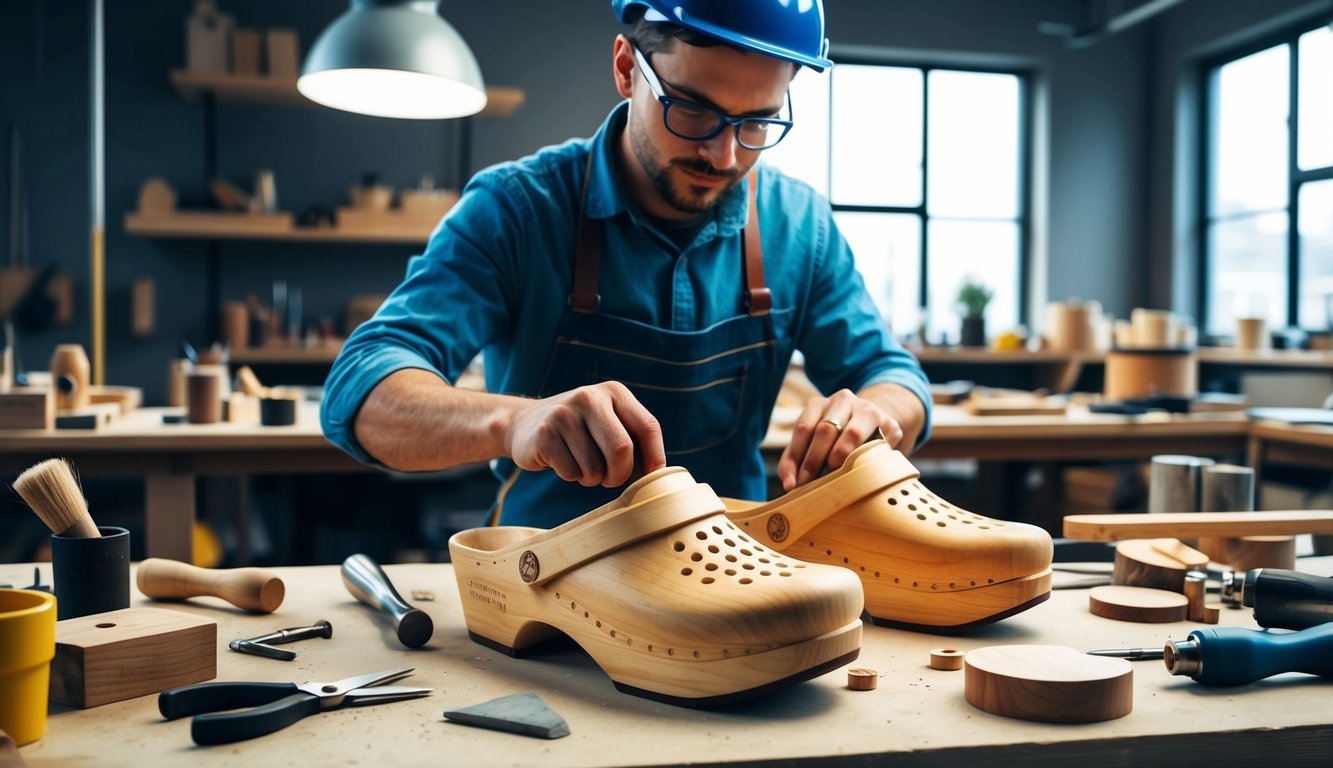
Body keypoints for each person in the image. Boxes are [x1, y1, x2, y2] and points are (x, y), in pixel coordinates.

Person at [321, 0, 931, 527]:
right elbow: (362, 390)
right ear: (624, 68)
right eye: (692, 110)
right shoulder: (518, 209)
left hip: (736, 581)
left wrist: (872, 413)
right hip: (545, 583)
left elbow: (894, 374)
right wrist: (514, 422)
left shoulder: (800, 226)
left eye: (755, 122)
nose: (721, 155)